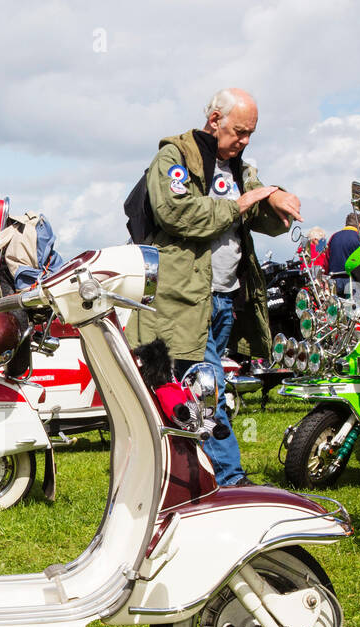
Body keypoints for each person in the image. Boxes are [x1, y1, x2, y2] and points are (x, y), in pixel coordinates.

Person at [127, 87, 301, 487]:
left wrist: (276, 202)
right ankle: (229, 478)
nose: (243, 140)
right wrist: (244, 202)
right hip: (186, 300)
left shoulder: (241, 168)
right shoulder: (174, 157)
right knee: (209, 389)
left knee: (196, 389)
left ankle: (180, 473)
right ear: (215, 119)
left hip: (226, 299)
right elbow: (178, 214)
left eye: (250, 134)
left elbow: (259, 214)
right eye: (239, 131)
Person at [326, 213, 360, 294]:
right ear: (359, 223)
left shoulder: (334, 236)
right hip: (352, 279)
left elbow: (327, 258)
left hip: (334, 279)